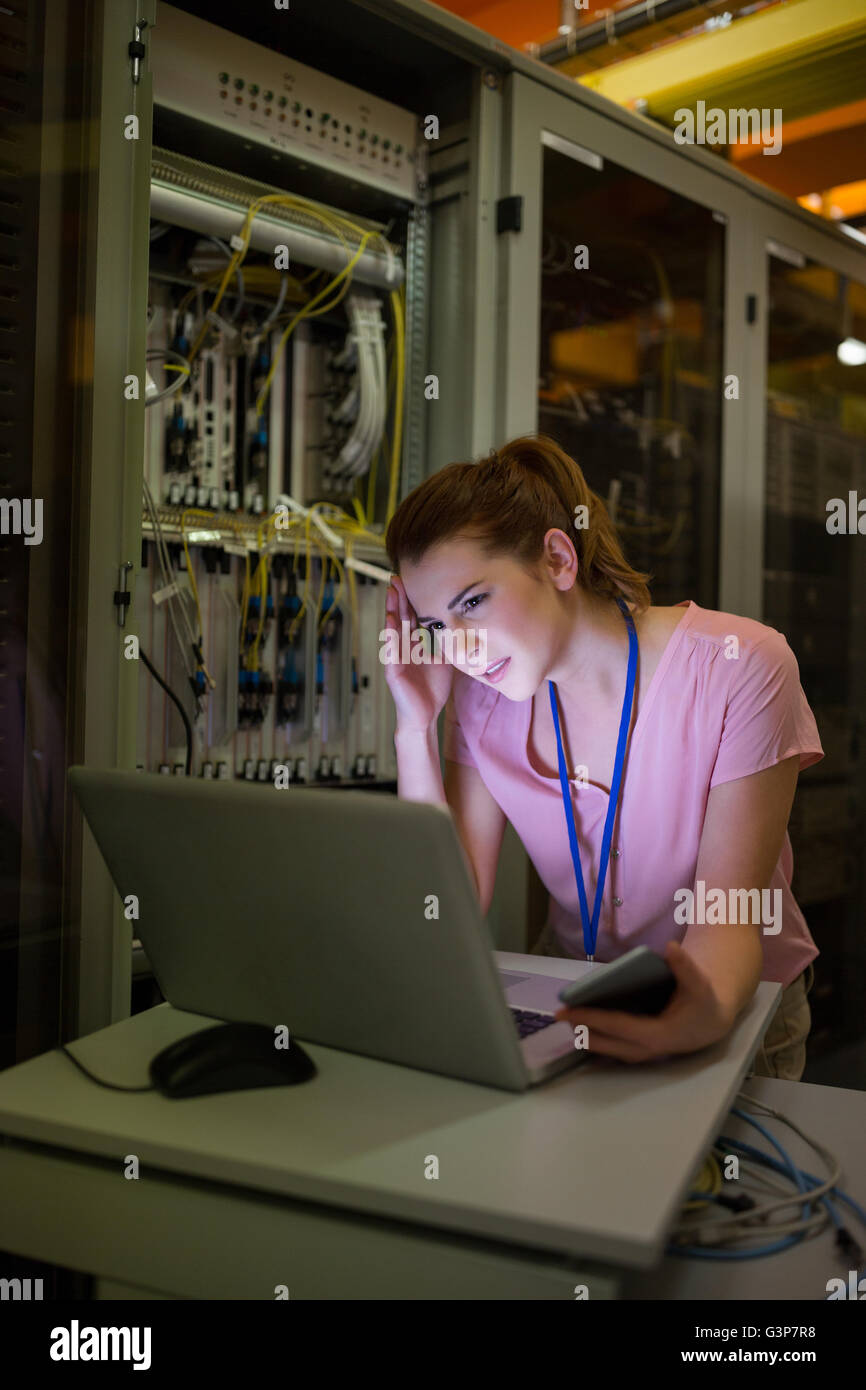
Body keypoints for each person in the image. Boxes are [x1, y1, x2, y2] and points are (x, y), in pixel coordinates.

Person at [383, 434, 822, 1080]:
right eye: (435, 628)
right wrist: (414, 727)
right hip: (574, 990)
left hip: (727, 1000)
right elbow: (441, 913)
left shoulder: (742, 668)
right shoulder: (479, 701)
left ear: (558, 559)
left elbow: (726, 917)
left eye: (472, 602)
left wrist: (690, 1019)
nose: (460, 649)